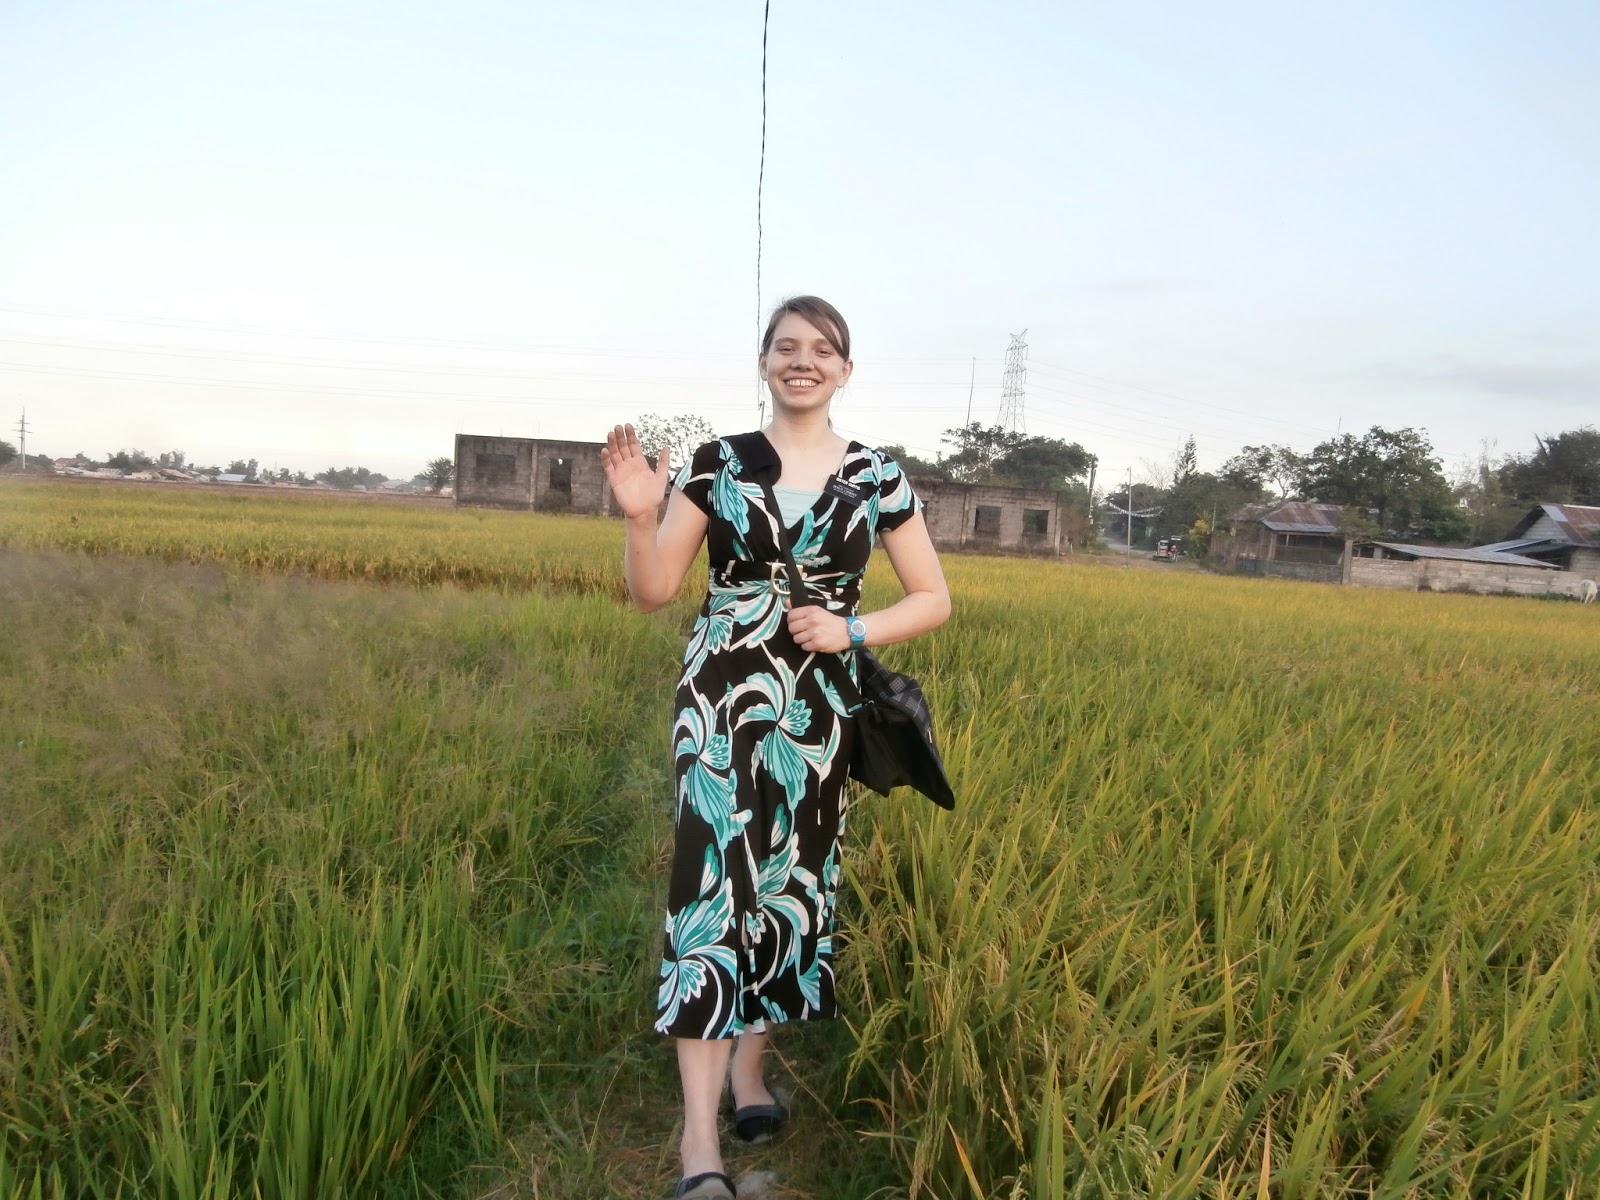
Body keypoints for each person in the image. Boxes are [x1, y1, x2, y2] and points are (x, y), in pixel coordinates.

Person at [601, 296, 951, 1200]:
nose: (804, 361)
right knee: (713, 892)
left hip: (819, 709)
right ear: (764, 363)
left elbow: (932, 598)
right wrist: (642, 518)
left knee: (790, 887)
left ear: (844, 370)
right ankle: (699, 1147)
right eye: (786, 347)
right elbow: (653, 593)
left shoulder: (877, 477)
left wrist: (854, 629)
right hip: (719, 701)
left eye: (822, 349)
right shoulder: (720, 463)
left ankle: (753, 1072)